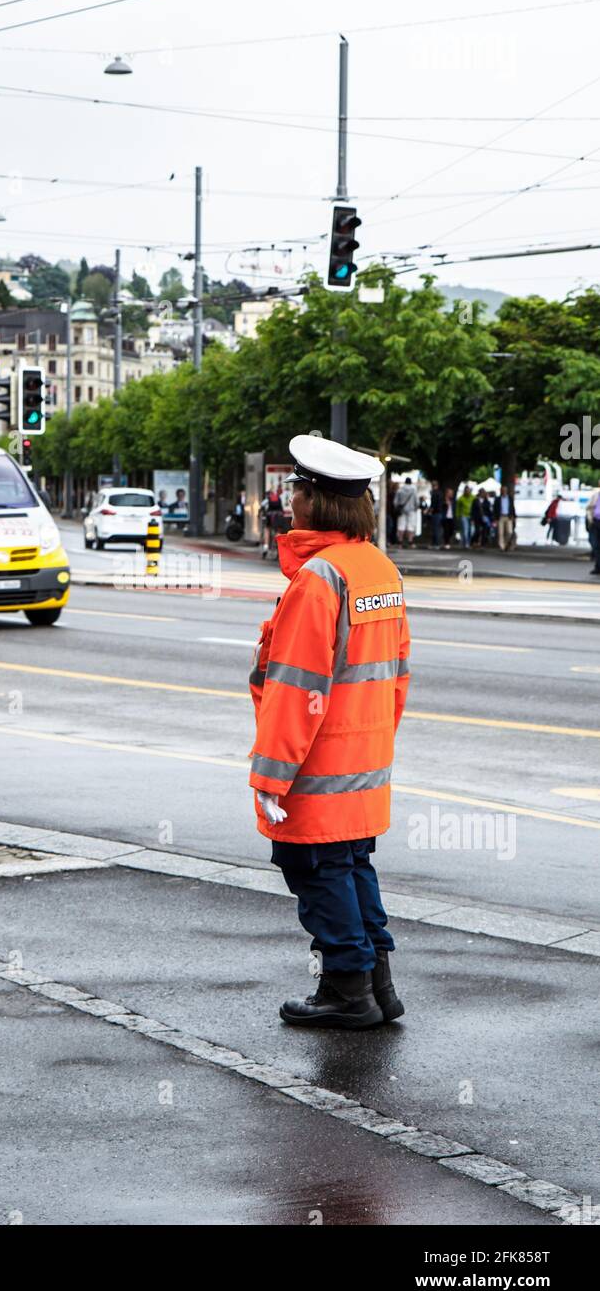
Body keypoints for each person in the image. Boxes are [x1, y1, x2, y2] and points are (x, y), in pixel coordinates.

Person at [249, 435, 411, 1029]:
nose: (290, 500)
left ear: (315, 501)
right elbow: (397, 675)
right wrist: (375, 742)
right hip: (364, 760)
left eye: (297, 490)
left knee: (317, 872)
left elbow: (295, 690)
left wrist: (269, 775)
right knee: (351, 867)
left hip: (316, 766)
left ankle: (347, 991)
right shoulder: (378, 569)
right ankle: (378, 984)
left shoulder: (320, 578)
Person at [260, 487, 285, 560]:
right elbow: (282, 508)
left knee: (267, 530)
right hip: (279, 516)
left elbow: (262, 507)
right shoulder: (278, 498)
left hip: (270, 517)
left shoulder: (267, 499)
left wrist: (259, 514)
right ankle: (279, 546)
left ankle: (266, 547)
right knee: (278, 531)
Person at [394, 476, 419, 547]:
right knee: (410, 526)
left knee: (401, 526)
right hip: (411, 510)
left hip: (401, 510)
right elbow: (417, 501)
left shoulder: (400, 490)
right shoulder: (414, 490)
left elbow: (395, 502)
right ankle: (410, 542)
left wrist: (398, 507)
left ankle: (400, 542)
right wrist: (416, 508)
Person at [493, 485, 517, 551]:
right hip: (500, 517)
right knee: (500, 533)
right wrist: (495, 519)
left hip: (508, 517)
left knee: (509, 532)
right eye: (502, 490)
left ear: (506, 491)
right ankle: (502, 546)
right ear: (500, 491)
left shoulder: (510, 498)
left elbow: (512, 508)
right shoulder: (497, 499)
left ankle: (506, 544)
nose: (504, 491)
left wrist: (514, 516)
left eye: (505, 490)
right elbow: (494, 509)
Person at [586, 485, 600, 576]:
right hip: (595, 522)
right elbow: (589, 508)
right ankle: (598, 567)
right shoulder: (596, 495)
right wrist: (590, 519)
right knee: (595, 544)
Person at [428, 480, 444, 548]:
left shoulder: (434, 493)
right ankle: (435, 543)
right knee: (437, 528)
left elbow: (433, 504)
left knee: (435, 529)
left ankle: (436, 543)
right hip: (439, 512)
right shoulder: (440, 493)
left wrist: (430, 511)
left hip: (435, 512)